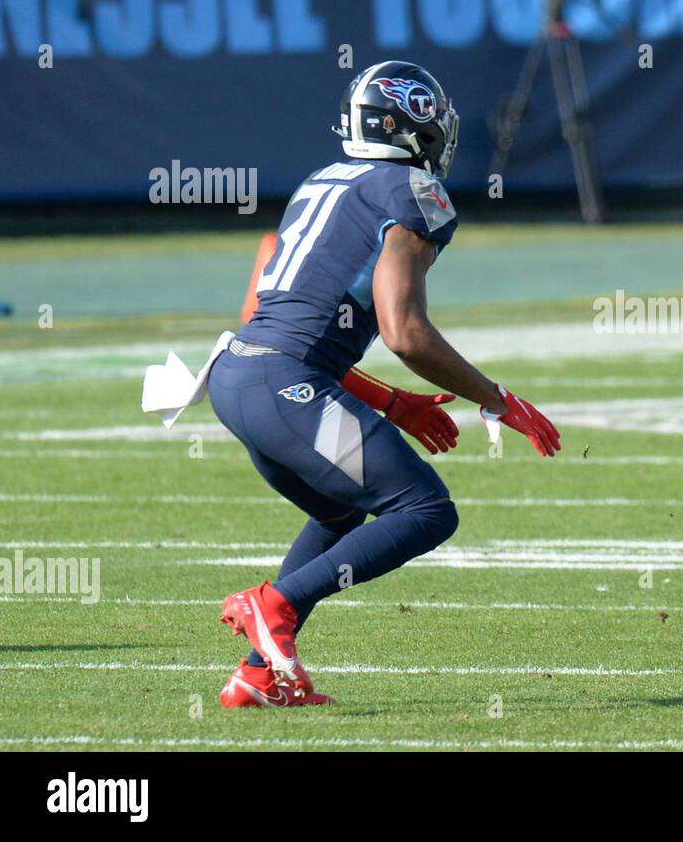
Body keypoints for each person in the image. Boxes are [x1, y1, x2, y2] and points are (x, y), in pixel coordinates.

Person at [175, 61, 560, 707]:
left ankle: (257, 674)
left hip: (238, 375)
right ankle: (275, 605)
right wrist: (496, 398)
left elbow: (282, 324)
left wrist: (390, 401)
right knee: (426, 509)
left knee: (339, 511)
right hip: (282, 380)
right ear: (407, 123)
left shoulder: (322, 180)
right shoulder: (414, 192)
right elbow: (404, 329)